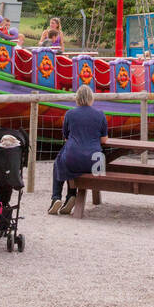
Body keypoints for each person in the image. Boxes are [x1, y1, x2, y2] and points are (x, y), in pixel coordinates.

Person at [48, 85, 108, 215]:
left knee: (60, 162)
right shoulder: (100, 114)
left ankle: (56, 198)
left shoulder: (70, 114)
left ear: (77, 98)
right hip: (96, 163)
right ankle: (70, 196)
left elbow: (66, 138)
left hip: (73, 158)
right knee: (69, 160)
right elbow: (104, 140)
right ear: (91, 98)